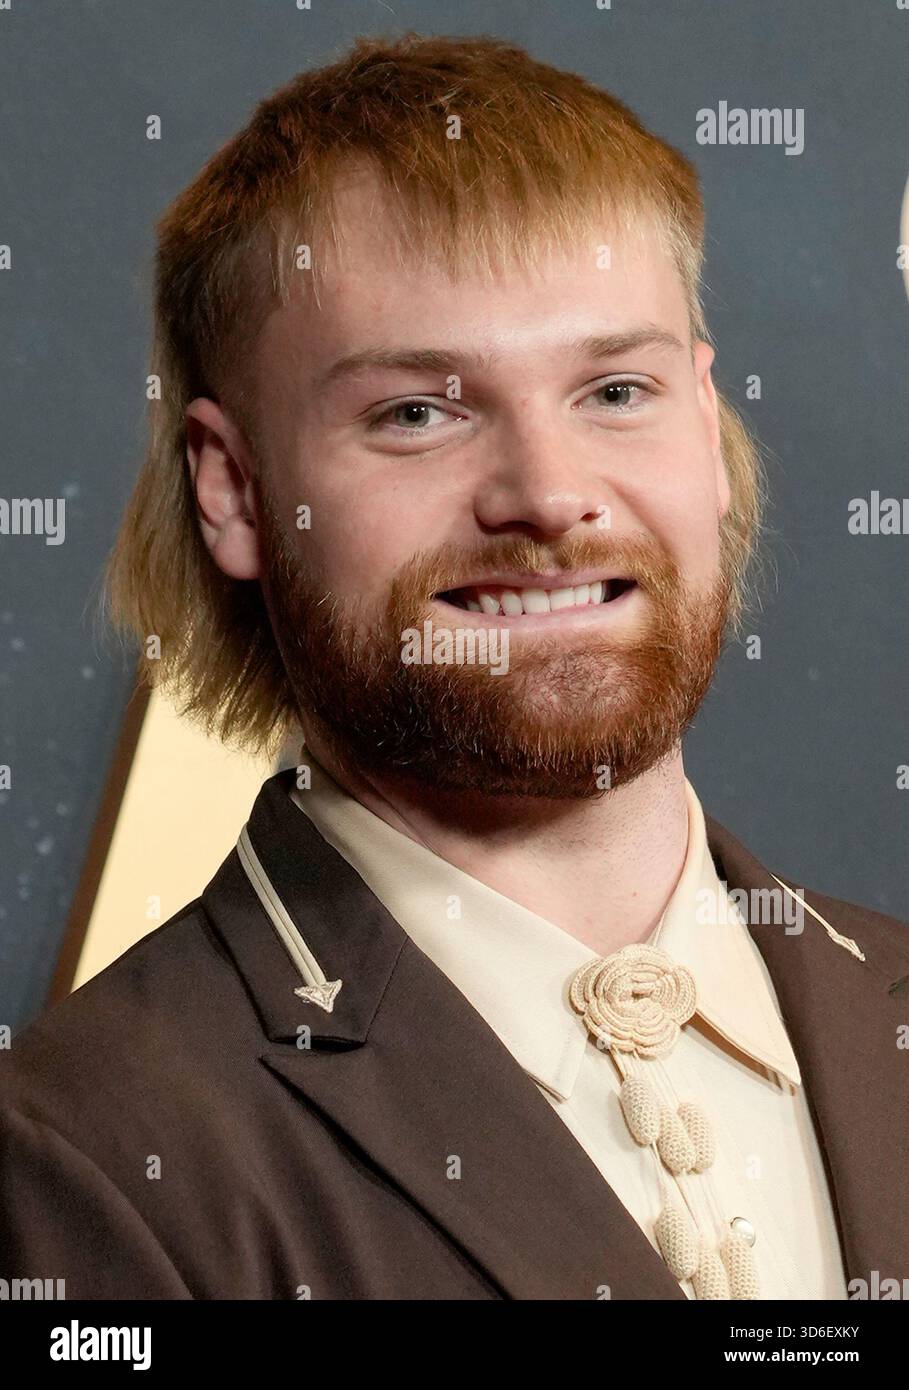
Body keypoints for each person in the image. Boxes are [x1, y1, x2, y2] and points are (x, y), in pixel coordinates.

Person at [2, 32, 906, 1302]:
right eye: (418, 412)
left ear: (709, 423)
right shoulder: (84, 1163)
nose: (549, 494)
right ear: (236, 489)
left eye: (615, 389)